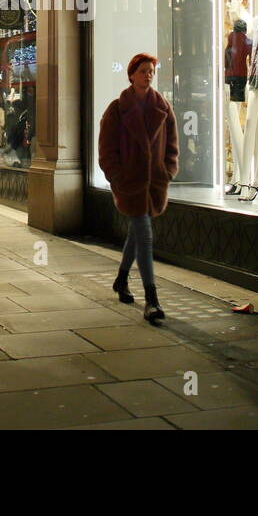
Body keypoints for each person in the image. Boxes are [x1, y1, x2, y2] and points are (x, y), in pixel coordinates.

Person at [97, 53, 178, 322]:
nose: (148, 75)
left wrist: (167, 171)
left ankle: (121, 280)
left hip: (154, 182)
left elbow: (172, 146)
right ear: (131, 74)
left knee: (136, 232)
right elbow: (107, 150)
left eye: (151, 71)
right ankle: (151, 298)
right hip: (129, 183)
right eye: (143, 71)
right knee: (144, 234)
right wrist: (117, 177)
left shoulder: (163, 107)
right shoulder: (117, 109)